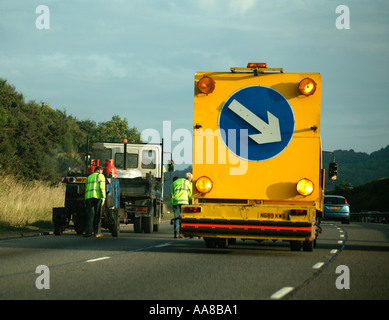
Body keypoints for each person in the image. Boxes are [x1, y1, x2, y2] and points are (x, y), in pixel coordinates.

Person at [84, 166, 106, 237]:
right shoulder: (101, 176)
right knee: (97, 215)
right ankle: (97, 233)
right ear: (100, 170)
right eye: (102, 171)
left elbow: (86, 187)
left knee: (90, 216)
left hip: (88, 197)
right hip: (97, 197)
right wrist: (103, 197)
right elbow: (102, 187)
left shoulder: (89, 177)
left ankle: (88, 232)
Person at [171, 172, 193, 238]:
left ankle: (176, 234)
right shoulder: (187, 183)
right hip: (184, 201)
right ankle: (185, 233)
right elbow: (190, 193)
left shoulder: (174, 183)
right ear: (190, 178)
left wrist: (172, 202)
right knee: (184, 218)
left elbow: (171, 194)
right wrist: (191, 202)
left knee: (176, 218)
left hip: (175, 202)